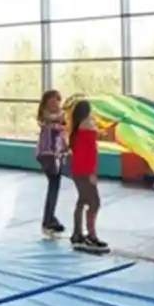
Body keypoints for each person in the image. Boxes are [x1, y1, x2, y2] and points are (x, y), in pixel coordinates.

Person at [67, 99, 108, 253]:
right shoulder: (87, 127)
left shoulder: (77, 128)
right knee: (94, 202)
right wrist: (91, 172)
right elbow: (89, 153)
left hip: (78, 169)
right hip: (84, 170)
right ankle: (91, 235)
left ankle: (77, 233)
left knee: (82, 200)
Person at [35, 90, 67, 237]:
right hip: (48, 155)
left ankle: (50, 217)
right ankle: (48, 219)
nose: (56, 104)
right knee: (53, 186)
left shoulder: (56, 118)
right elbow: (54, 127)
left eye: (57, 101)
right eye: (53, 101)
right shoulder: (47, 119)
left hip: (54, 155)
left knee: (54, 186)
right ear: (47, 102)